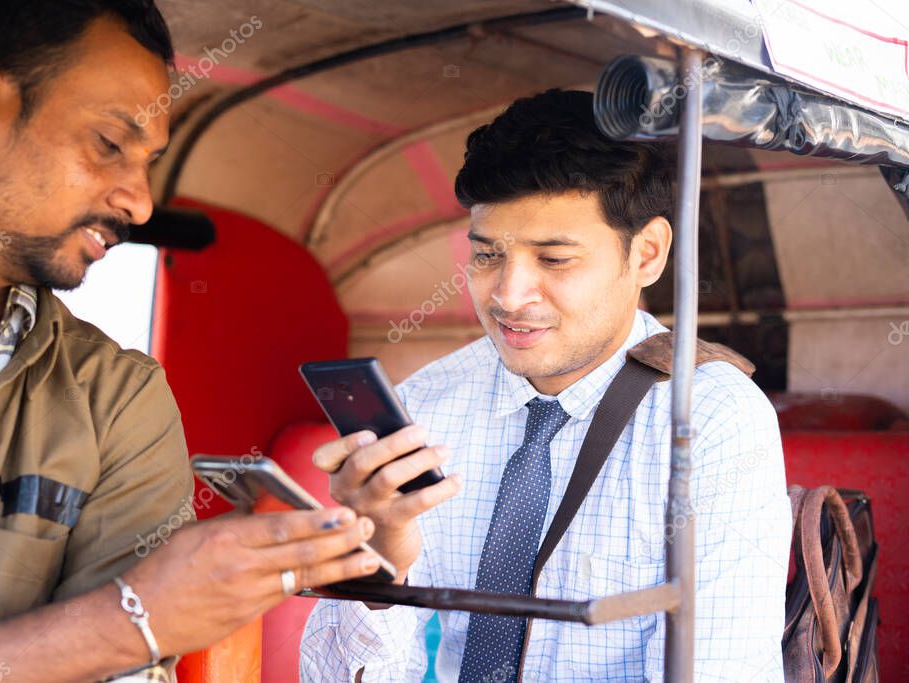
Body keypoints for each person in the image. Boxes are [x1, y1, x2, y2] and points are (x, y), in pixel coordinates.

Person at [0, 2, 381, 682]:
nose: (141, 203)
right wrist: (123, 621)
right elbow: (126, 635)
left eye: (149, 162)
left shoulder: (123, 401)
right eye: (109, 144)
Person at [300, 89, 791, 681]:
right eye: (487, 256)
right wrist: (382, 560)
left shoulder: (711, 418)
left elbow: (718, 671)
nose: (508, 296)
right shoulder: (427, 403)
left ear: (648, 254)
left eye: (554, 260)